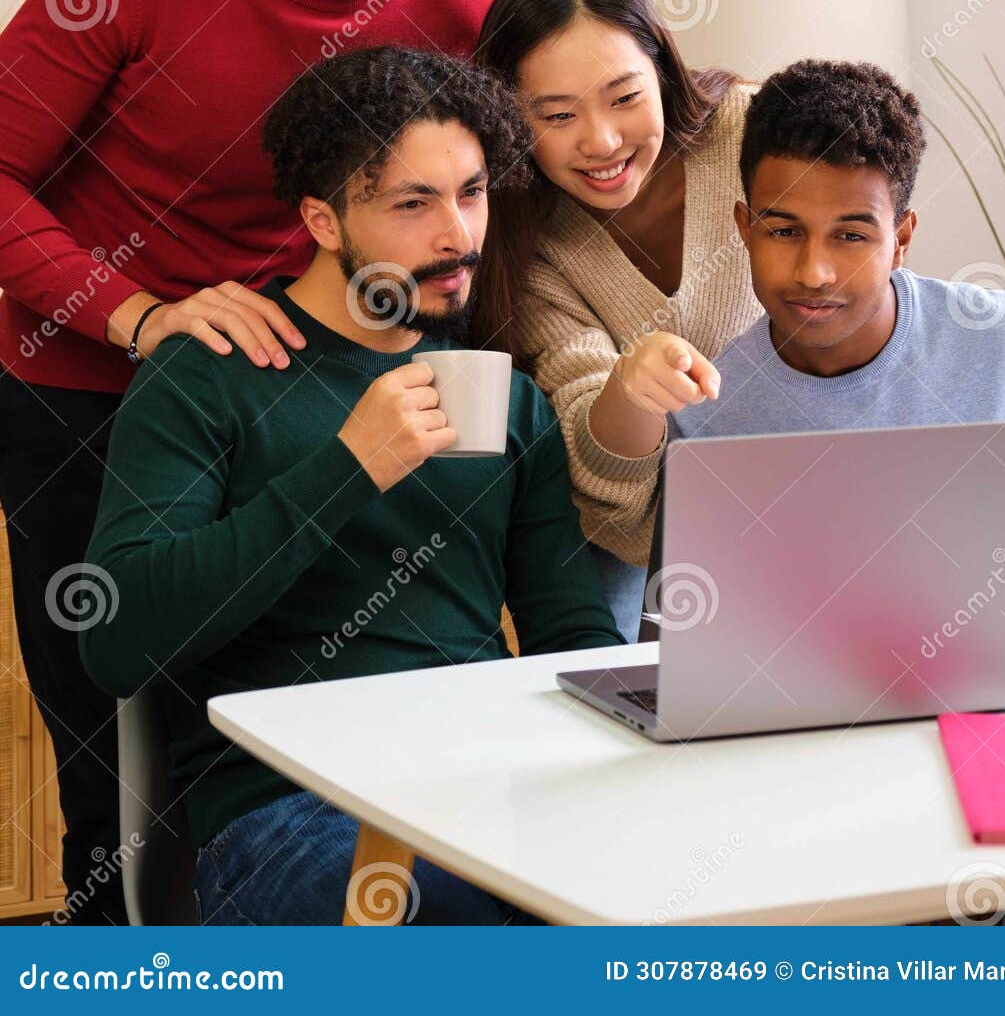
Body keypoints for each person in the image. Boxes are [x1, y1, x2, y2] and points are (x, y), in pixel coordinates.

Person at [0, 0, 492, 923]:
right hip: (78, 377)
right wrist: (137, 314)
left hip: (267, 387)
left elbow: (520, 162)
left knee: (255, 725)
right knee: (110, 758)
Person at [80, 46, 623, 926]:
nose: (459, 235)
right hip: (290, 815)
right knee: (462, 924)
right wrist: (349, 468)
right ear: (323, 222)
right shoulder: (210, 371)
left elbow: (572, 637)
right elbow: (117, 640)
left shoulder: (507, 401)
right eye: (414, 204)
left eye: (473, 192)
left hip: (488, 789)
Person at [671, 58, 1005, 601]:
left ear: (901, 238)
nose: (814, 273)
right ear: (745, 228)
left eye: (851, 236)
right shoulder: (707, 412)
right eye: (784, 230)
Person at [474, 0, 762, 638]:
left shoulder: (755, 133)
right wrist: (630, 394)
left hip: (817, 486)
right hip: (657, 543)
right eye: (556, 114)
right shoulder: (527, 244)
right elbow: (608, 500)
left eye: (625, 97)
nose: (601, 141)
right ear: (511, 118)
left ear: (662, 72)